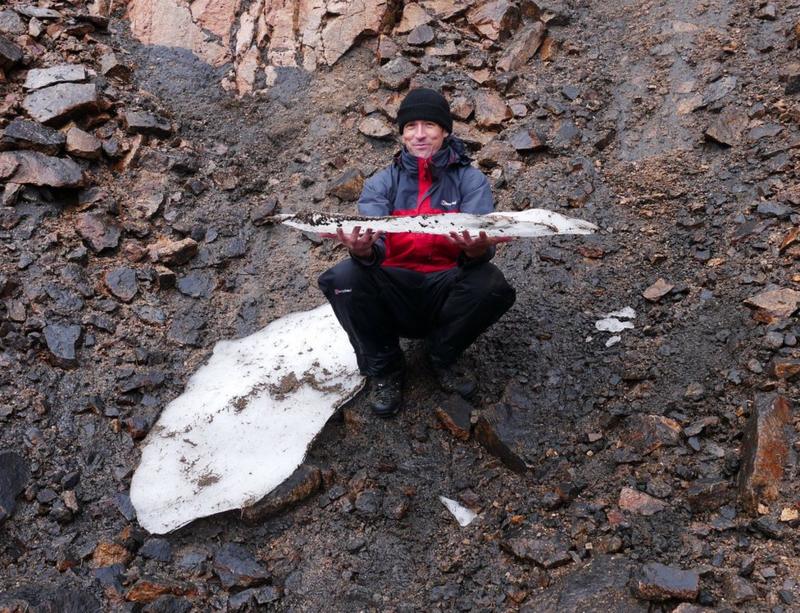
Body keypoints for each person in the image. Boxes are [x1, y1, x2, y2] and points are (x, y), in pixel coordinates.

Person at [318, 88, 516, 417]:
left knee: (491, 283)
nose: (420, 134)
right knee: (344, 277)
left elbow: (480, 248)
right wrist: (363, 251)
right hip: (395, 291)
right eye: (411, 126)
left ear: (446, 131)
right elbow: (373, 243)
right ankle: (385, 368)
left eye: (429, 125)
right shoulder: (381, 184)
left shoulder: (471, 182)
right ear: (402, 134)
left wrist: (477, 250)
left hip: (445, 289)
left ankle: (443, 355)